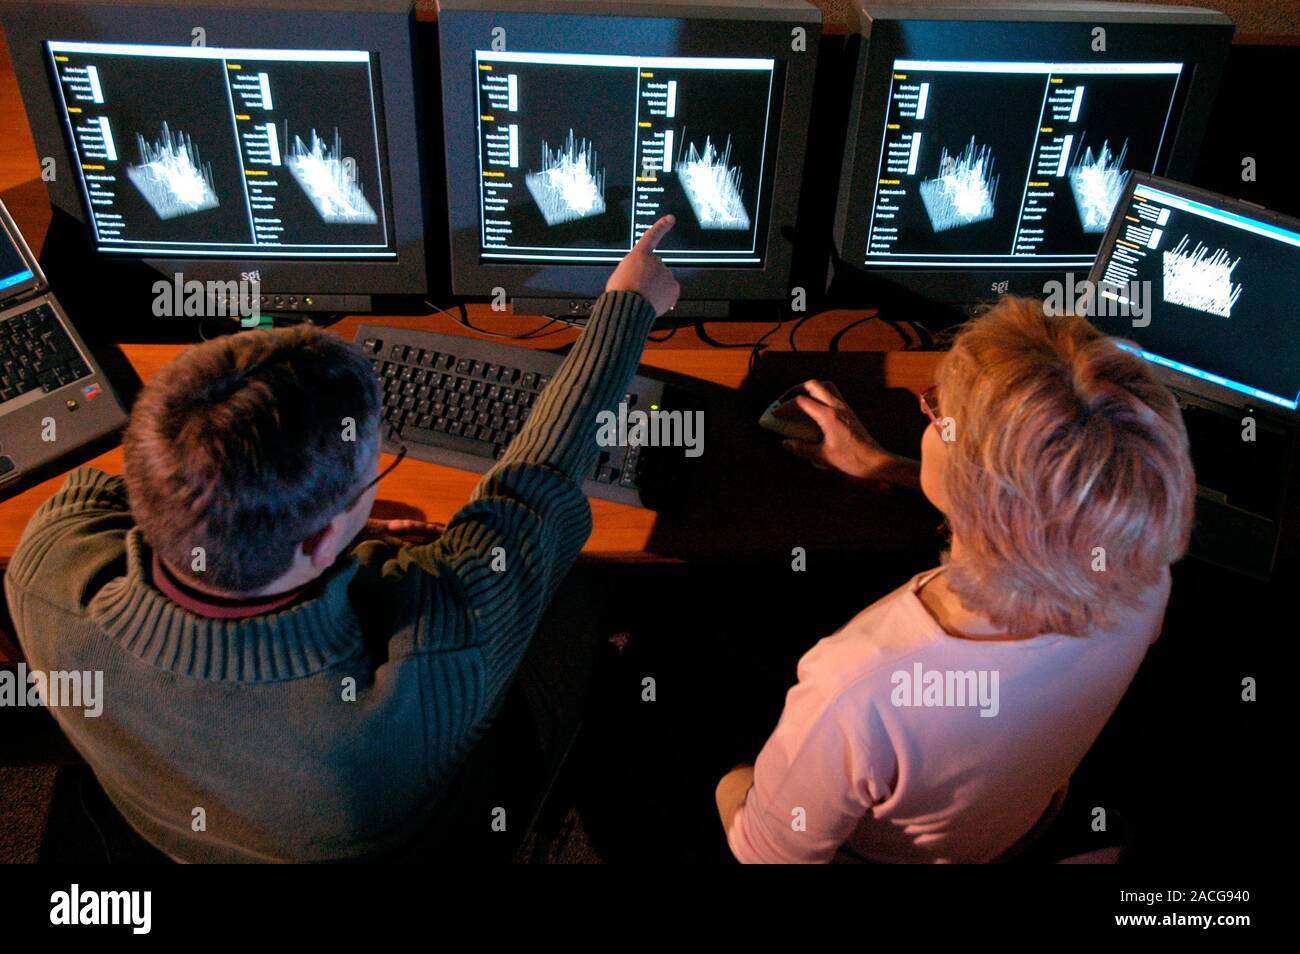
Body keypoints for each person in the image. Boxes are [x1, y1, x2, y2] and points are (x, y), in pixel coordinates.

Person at [4, 216, 681, 863]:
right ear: (326, 540)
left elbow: (114, 493)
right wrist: (626, 308)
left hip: (177, 827)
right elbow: (534, 490)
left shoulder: (45, 570)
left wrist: (300, 512)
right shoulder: (433, 647)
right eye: (370, 479)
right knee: (586, 582)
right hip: (435, 820)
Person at [716, 296, 1196, 863]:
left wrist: (734, 779)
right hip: (1024, 816)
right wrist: (890, 469)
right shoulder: (1141, 571)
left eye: (937, 408)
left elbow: (768, 855)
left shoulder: (857, 689)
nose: (928, 413)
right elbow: (1045, 518)